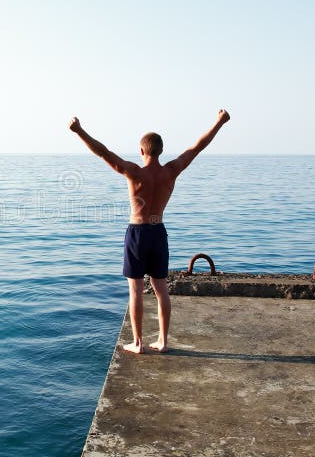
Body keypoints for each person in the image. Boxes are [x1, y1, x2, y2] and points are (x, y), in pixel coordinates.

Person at [69, 109, 231, 353]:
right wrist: (219, 122)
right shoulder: (171, 171)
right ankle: (163, 341)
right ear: (161, 151)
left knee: (135, 289)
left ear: (142, 151)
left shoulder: (133, 172)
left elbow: (103, 152)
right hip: (158, 232)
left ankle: (138, 343)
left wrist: (79, 131)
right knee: (161, 288)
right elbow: (197, 147)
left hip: (137, 233)